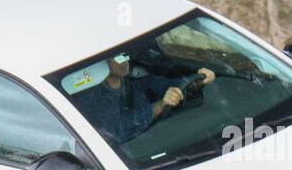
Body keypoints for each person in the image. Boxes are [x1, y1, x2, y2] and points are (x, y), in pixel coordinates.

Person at [73, 54, 215, 145]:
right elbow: (119, 131)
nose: (125, 59)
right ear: (100, 63)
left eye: (125, 54)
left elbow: (170, 85)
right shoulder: (91, 98)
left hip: (161, 140)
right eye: (117, 57)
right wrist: (161, 105)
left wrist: (197, 82)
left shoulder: (135, 83)